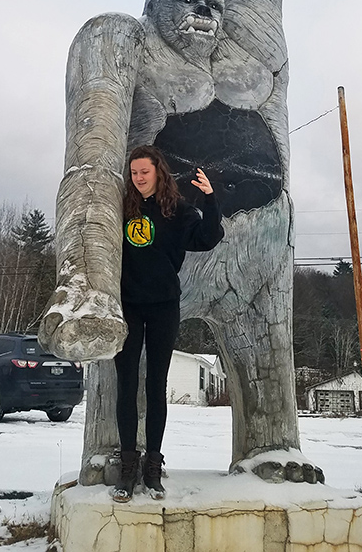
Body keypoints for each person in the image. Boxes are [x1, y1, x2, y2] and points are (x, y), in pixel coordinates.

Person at [113, 145, 224, 502]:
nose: (139, 178)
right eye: (134, 173)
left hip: (163, 306)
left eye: (144, 171)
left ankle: (152, 466)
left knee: (156, 384)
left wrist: (210, 200)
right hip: (127, 306)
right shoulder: (122, 207)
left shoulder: (177, 211)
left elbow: (207, 238)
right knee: (126, 383)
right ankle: (127, 464)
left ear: (159, 172)